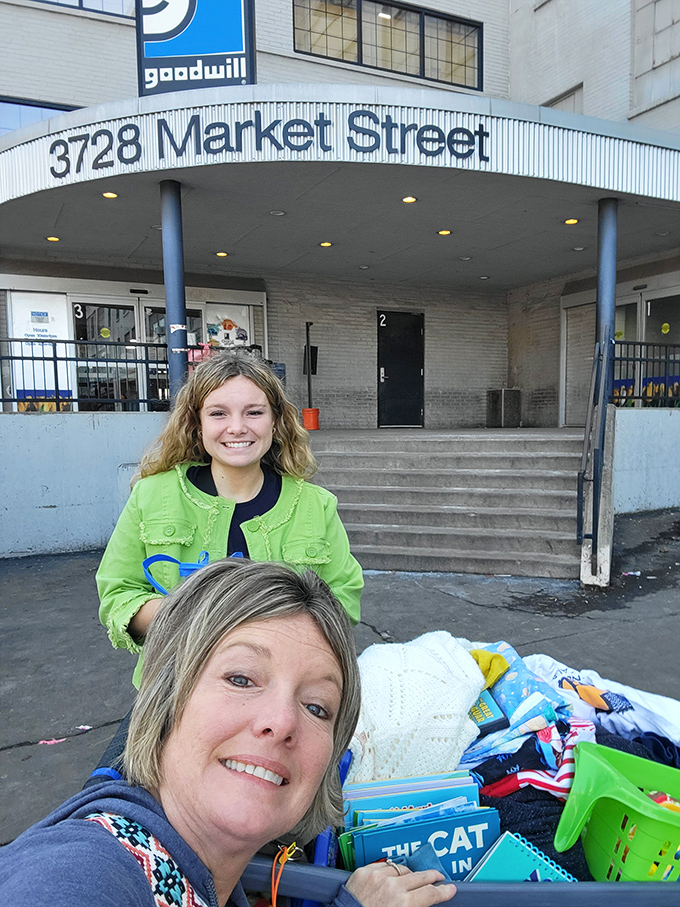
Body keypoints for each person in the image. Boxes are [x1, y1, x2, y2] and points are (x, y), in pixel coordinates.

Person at [0, 559, 456, 907]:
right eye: (241, 679)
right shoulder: (82, 875)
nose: (282, 722)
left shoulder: (202, 874)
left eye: (317, 706)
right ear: (165, 700)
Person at [97, 351, 363, 687]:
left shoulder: (315, 505)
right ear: (197, 423)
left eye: (254, 412)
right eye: (218, 413)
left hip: (283, 690)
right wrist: (204, 614)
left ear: (276, 422)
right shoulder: (151, 496)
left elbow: (344, 600)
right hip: (173, 691)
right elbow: (119, 596)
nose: (237, 427)